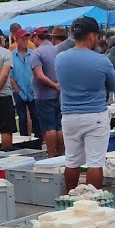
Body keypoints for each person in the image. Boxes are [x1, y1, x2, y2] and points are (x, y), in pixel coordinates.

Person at [55, 16, 115, 190]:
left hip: (69, 115)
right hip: (95, 115)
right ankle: (93, 202)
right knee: (95, 162)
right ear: (91, 36)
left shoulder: (60, 58)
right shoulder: (102, 60)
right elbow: (114, 85)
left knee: (72, 160)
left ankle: (70, 198)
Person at [29, 27, 63, 157]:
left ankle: (51, 156)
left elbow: (39, 75)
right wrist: (58, 85)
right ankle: (62, 153)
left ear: (36, 38)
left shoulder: (36, 53)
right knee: (59, 127)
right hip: (58, 95)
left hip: (44, 95)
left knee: (49, 128)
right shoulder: (58, 50)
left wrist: (53, 85)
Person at [10, 28, 38, 138]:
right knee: (22, 117)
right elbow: (10, 76)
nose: (26, 41)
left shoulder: (33, 54)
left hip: (33, 90)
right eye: (23, 39)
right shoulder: (11, 55)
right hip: (19, 90)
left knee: (36, 116)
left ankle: (37, 139)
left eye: (27, 39)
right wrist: (17, 90)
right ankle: (24, 139)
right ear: (16, 40)